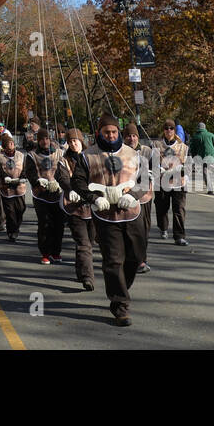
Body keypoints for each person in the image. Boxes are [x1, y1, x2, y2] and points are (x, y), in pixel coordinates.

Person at [71, 117, 153, 327]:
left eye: (114, 132)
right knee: (114, 261)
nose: (111, 136)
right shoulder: (87, 156)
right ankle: (120, 305)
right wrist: (94, 199)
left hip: (132, 211)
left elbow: (145, 178)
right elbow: (77, 181)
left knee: (136, 256)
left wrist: (134, 195)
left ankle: (122, 286)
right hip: (105, 216)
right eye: (106, 132)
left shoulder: (133, 153)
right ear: (99, 132)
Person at [57, 129, 95, 291]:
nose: (73, 144)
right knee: (83, 243)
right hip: (74, 207)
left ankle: (81, 270)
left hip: (93, 206)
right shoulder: (64, 160)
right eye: (70, 141)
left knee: (90, 241)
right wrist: (69, 189)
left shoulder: (92, 157)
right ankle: (88, 277)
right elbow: (62, 177)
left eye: (76, 141)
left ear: (81, 140)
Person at [24, 126, 65, 263]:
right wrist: (38, 182)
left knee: (59, 224)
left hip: (58, 193)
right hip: (41, 195)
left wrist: (61, 183)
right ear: (38, 140)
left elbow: (65, 170)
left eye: (47, 138)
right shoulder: (32, 155)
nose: (45, 141)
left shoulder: (59, 153)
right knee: (45, 224)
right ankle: (45, 253)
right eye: (42, 139)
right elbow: (30, 172)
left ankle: (56, 251)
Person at [123, 124, 154, 272]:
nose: (132, 138)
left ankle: (142, 259)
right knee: (129, 229)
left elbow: (156, 167)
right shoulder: (120, 153)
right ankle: (133, 259)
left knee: (144, 229)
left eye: (134, 135)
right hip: (126, 196)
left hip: (145, 196)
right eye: (129, 136)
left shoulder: (147, 151)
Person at [154, 120, 189, 246]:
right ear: (163, 130)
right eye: (166, 128)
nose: (169, 130)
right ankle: (163, 227)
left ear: (175, 130)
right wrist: (159, 168)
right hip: (162, 183)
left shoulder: (183, 146)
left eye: (171, 128)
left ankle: (179, 236)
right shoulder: (156, 145)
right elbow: (152, 163)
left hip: (179, 182)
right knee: (162, 208)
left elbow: (187, 165)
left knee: (179, 209)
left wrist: (180, 169)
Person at [0, 134, 27, 243]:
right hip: (6, 187)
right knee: (10, 211)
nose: (11, 144)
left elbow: (25, 168)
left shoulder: (21, 155)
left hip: (19, 187)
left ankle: (16, 226)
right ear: (4, 145)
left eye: (12, 142)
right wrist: (4, 177)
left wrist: (23, 177)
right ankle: (12, 232)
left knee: (21, 209)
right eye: (9, 143)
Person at [187, 122, 214, 194]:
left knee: (206, 173)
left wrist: (195, 157)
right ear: (205, 128)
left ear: (198, 128)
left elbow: (192, 149)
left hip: (202, 157)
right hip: (212, 156)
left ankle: (210, 189)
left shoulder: (195, 137)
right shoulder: (210, 135)